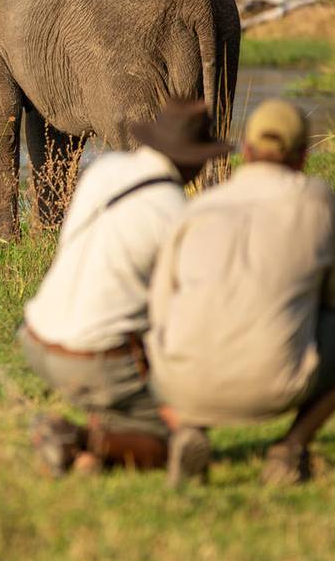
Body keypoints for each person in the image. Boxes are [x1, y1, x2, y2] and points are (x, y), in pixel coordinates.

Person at [146, 98, 335, 485]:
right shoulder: (318, 200)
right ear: (303, 156)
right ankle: (290, 448)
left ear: (245, 152)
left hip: (181, 384)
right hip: (277, 382)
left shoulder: (198, 208)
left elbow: (158, 308)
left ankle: (188, 431)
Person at [20, 101, 231, 475]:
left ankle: (90, 457)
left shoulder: (105, 171)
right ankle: (74, 437)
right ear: (194, 160)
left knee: (128, 378)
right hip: (90, 359)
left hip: (37, 338)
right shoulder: (177, 214)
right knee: (173, 440)